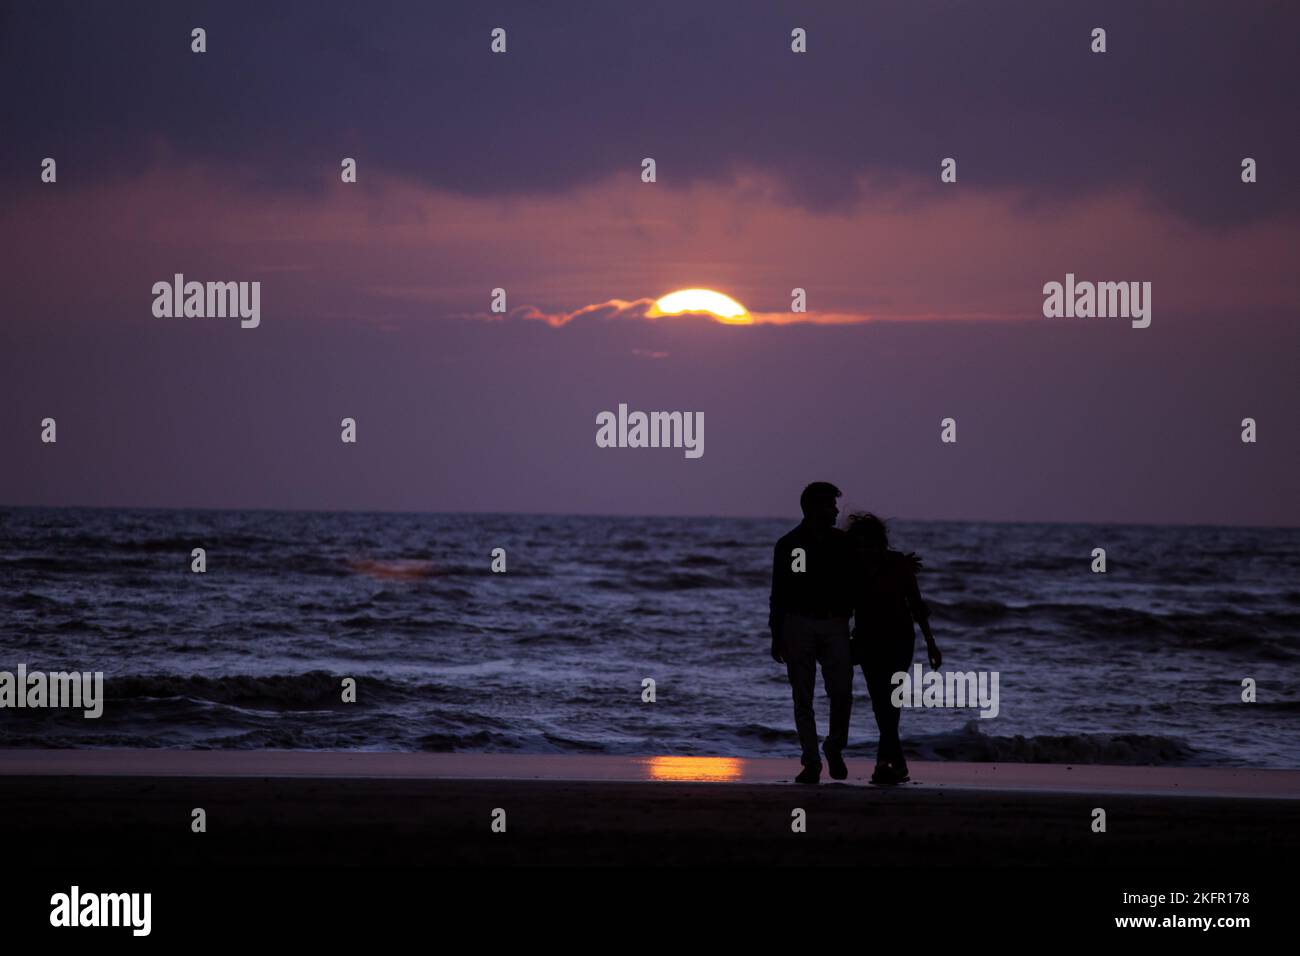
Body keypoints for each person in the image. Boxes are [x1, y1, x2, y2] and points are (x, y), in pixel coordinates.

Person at [845, 512, 940, 785]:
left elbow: (917, 606)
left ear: (882, 543)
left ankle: (884, 763)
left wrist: (931, 643)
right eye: (861, 545)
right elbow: (843, 609)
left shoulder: (899, 565)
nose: (866, 550)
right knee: (880, 702)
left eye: (871, 544)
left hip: (899, 640)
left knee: (891, 700)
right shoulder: (850, 569)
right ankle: (895, 764)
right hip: (866, 641)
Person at [769, 482, 854, 784]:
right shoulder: (789, 544)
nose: (835, 510)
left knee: (842, 693)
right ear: (816, 507)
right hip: (798, 623)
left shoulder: (843, 543)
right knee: (802, 695)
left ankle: (833, 744)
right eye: (831, 505)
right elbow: (779, 592)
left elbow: (858, 581)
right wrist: (776, 634)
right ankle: (811, 760)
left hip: (835, 623)